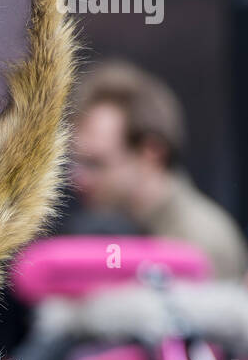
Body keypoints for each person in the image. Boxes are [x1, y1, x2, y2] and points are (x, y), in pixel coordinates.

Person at [71, 60, 248, 281]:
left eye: (96, 163)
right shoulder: (122, 228)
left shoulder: (199, 241)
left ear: (151, 154)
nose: (78, 179)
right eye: (75, 163)